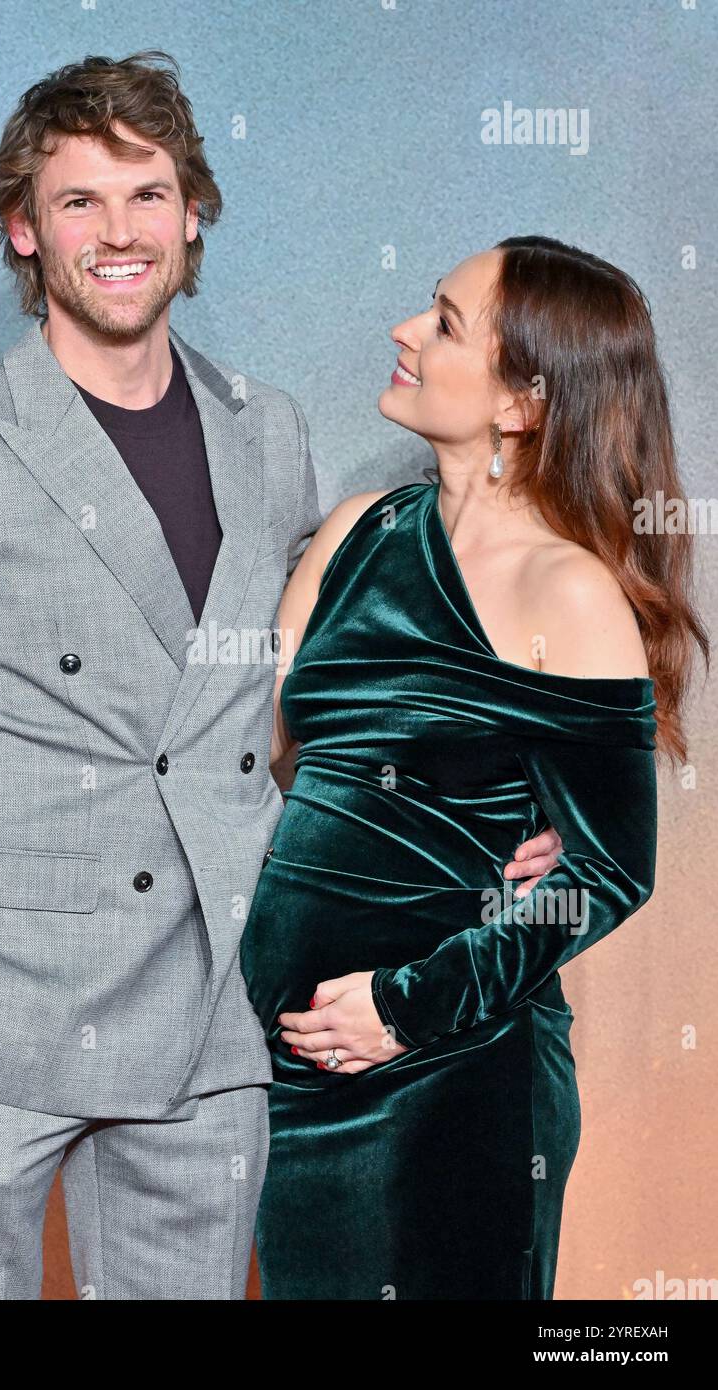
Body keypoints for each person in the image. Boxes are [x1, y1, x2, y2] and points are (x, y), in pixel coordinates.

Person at [0, 51, 555, 1300]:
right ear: (22, 230)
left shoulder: (269, 433)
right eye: (78, 201)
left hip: (206, 1029)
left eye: (146, 194)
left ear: (193, 213)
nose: (118, 232)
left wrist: (500, 822)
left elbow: (320, 707)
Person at [240, 236, 708, 1300]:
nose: (406, 332)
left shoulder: (569, 593)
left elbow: (606, 874)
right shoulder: (359, 533)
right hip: (292, 1077)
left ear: (523, 405)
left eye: (446, 322)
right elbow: (260, 762)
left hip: (454, 1079)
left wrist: (405, 1006)